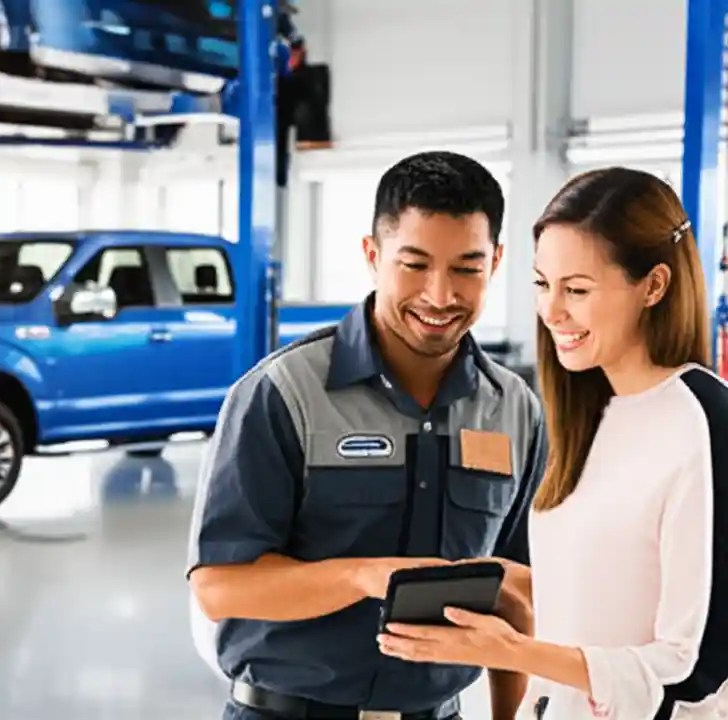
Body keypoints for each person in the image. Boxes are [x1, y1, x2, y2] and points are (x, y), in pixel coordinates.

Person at [187, 150, 546, 720]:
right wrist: (362, 576)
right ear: (372, 255)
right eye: (414, 264)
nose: (439, 295)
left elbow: (517, 595)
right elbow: (220, 587)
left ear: (496, 262)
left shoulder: (515, 411)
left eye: (466, 268)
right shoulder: (283, 393)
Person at [377, 167, 728, 719]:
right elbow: (607, 588)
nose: (552, 311)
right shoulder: (589, 413)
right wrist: (503, 581)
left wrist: (510, 650)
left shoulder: (702, 420)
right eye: (543, 284)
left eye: (577, 290)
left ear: (654, 286)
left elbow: (696, 669)